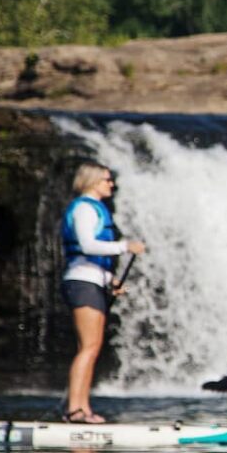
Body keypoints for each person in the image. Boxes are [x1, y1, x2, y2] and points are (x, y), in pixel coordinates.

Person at [59, 160, 145, 424]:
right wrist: (125, 246)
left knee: (91, 347)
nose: (111, 184)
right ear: (92, 181)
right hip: (82, 282)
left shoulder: (95, 208)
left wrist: (111, 281)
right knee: (89, 347)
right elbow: (87, 245)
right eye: (107, 180)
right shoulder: (85, 208)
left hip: (93, 281)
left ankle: (83, 407)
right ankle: (75, 410)